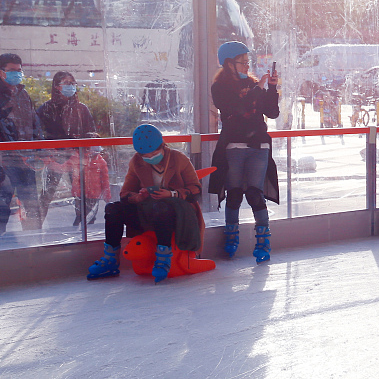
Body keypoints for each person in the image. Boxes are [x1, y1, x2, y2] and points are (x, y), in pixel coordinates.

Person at [87, 125, 204, 283]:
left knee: (162, 207)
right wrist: (138, 197)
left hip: (177, 213)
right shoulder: (136, 162)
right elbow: (125, 194)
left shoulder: (178, 159)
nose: (150, 157)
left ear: (162, 146)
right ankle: (111, 259)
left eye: (154, 153)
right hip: (148, 210)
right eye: (146, 156)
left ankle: (163, 258)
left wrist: (172, 194)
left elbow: (196, 189)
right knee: (112, 209)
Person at [208, 41, 281, 263]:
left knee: (254, 193)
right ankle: (231, 239)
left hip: (258, 145)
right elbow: (234, 109)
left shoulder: (253, 83)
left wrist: (271, 88)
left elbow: (272, 112)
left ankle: (263, 242)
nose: (247, 66)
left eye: (248, 62)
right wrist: (258, 89)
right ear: (229, 63)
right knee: (235, 192)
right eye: (243, 62)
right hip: (234, 147)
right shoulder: (219, 88)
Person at [36, 71, 100, 225]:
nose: (71, 86)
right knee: (47, 192)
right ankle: (35, 225)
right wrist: (49, 151)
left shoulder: (81, 109)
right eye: (66, 83)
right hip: (55, 158)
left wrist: (87, 148)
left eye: (72, 83)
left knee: (81, 192)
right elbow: (38, 133)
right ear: (57, 86)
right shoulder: (46, 109)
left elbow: (91, 131)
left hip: (77, 158)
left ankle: (84, 224)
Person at [0, 53, 43, 235]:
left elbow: (34, 123)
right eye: (12, 71)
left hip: (27, 159)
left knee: (31, 203)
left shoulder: (23, 94)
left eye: (19, 71)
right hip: (5, 160)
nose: (17, 74)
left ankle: (35, 241)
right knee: (2, 205)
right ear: (1, 72)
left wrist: (39, 149)